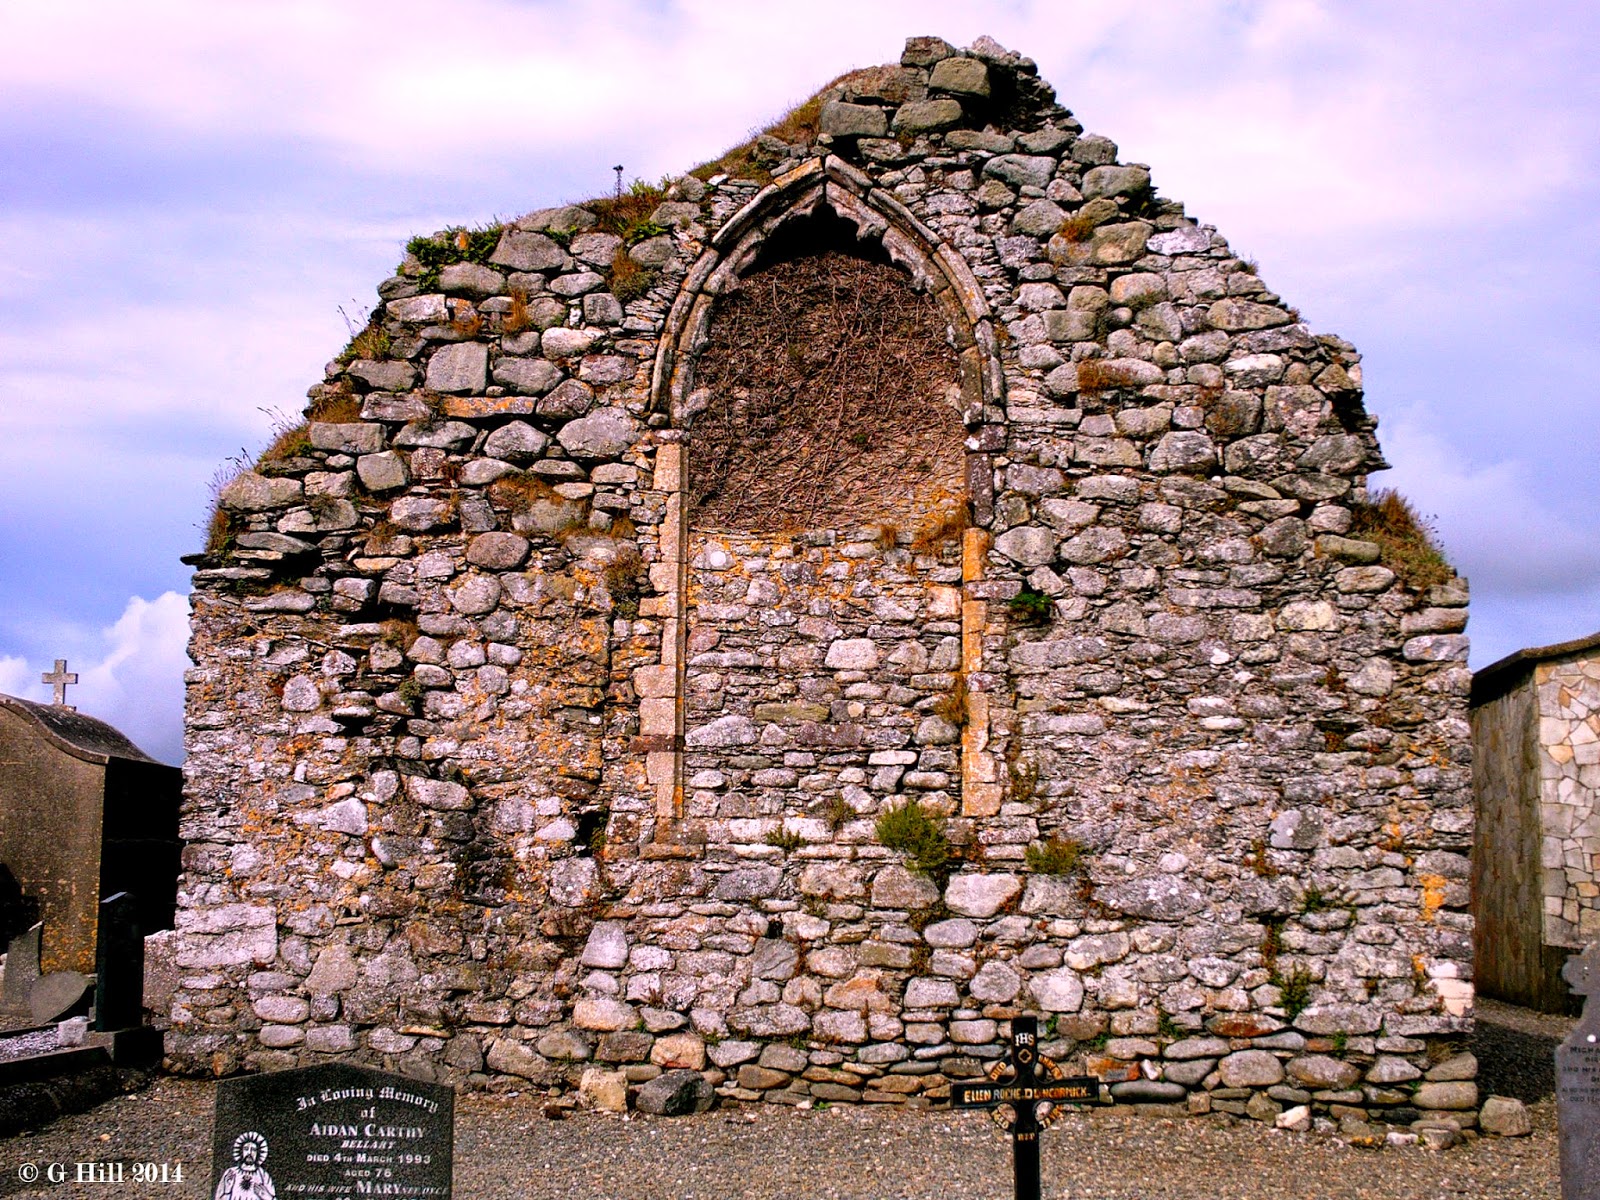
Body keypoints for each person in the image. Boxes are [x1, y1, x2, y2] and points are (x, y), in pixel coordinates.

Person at [214, 1131, 275, 1200]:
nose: (249, 1153)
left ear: (258, 1153)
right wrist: (227, 1191)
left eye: (253, 1150)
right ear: (241, 1151)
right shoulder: (230, 1173)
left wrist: (267, 1197)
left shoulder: (263, 1175)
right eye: (246, 1149)